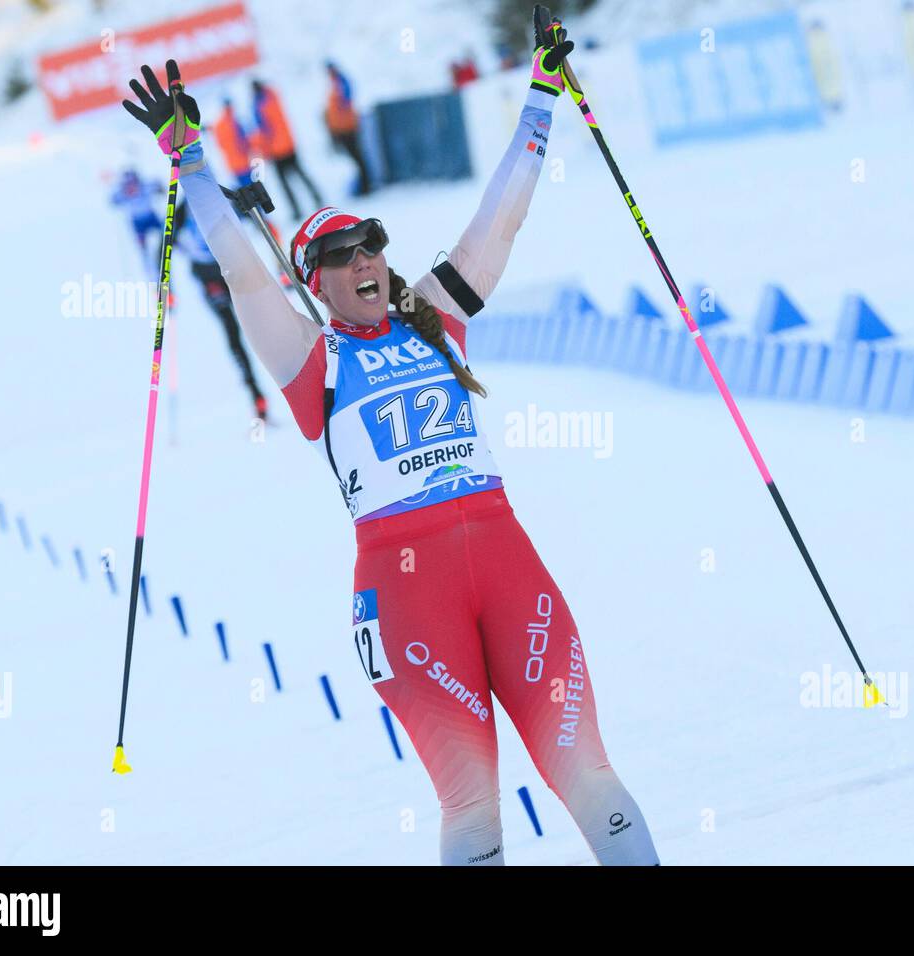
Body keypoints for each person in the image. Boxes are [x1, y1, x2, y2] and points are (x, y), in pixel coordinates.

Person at [122, 19, 659, 867]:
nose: (367, 257)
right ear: (316, 282)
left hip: (506, 557)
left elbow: (500, 222)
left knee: (585, 769)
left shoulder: (436, 320)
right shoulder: (310, 358)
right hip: (408, 594)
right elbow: (242, 264)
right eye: (342, 253)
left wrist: (542, 95)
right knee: (474, 805)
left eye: (372, 241)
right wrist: (188, 158)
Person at [173, 197, 269, 421]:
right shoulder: (181, 210)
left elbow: (255, 217)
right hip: (208, 275)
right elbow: (164, 246)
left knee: (261, 321)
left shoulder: (218, 196)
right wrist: (165, 288)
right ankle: (256, 394)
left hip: (233, 266)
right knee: (232, 329)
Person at [250, 78, 323, 218]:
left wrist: (264, 151)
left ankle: (296, 209)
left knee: (285, 185)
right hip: (289, 146)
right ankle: (317, 197)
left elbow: (264, 132)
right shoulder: (273, 97)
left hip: (276, 152)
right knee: (302, 175)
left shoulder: (259, 106)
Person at [323, 61, 373, 196]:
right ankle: (364, 184)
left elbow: (344, 103)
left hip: (347, 127)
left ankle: (366, 185)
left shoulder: (341, 82)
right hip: (342, 127)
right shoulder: (336, 83)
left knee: (357, 157)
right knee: (355, 157)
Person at [109, 167, 164, 269]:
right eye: (128, 185)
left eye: (133, 183)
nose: (131, 188)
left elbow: (157, 185)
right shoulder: (123, 194)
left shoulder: (145, 187)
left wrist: (160, 189)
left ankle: (174, 244)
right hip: (137, 222)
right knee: (142, 243)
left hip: (151, 217)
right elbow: (113, 200)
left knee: (165, 232)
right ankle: (147, 261)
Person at [212, 98, 255, 187]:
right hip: (244, 163)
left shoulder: (218, 125)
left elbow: (220, 145)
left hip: (233, 165)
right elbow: (245, 143)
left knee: (245, 193)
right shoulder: (234, 122)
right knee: (254, 191)